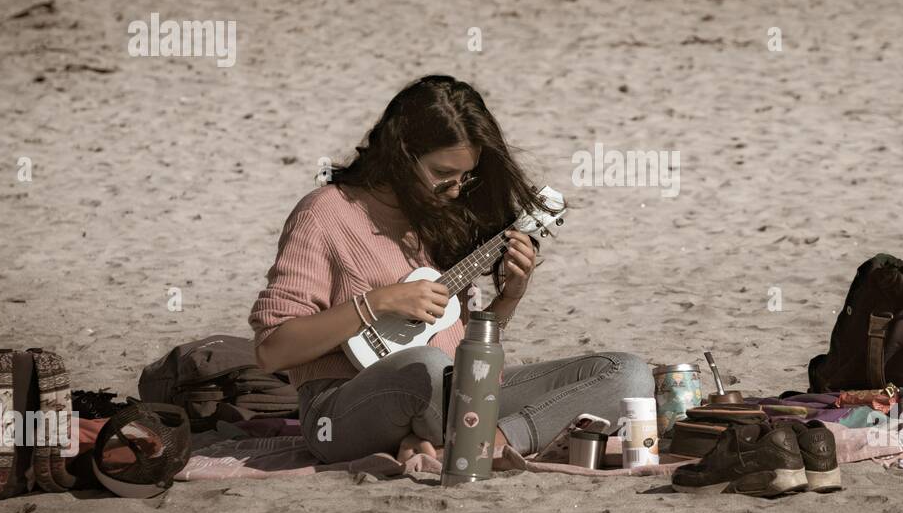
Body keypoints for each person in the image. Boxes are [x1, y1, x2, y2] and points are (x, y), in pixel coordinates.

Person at [249, 75, 652, 466]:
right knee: (424, 368)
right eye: (443, 174)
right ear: (401, 153)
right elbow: (271, 350)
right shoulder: (324, 213)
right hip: (342, 411)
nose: (456, 190)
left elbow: (461, 346)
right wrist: (376, 303)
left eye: (465, 176)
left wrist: (509, 297)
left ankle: (488, 442)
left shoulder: (442, 217)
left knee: (627, 375)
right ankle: (462, 435)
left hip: (457, 392)